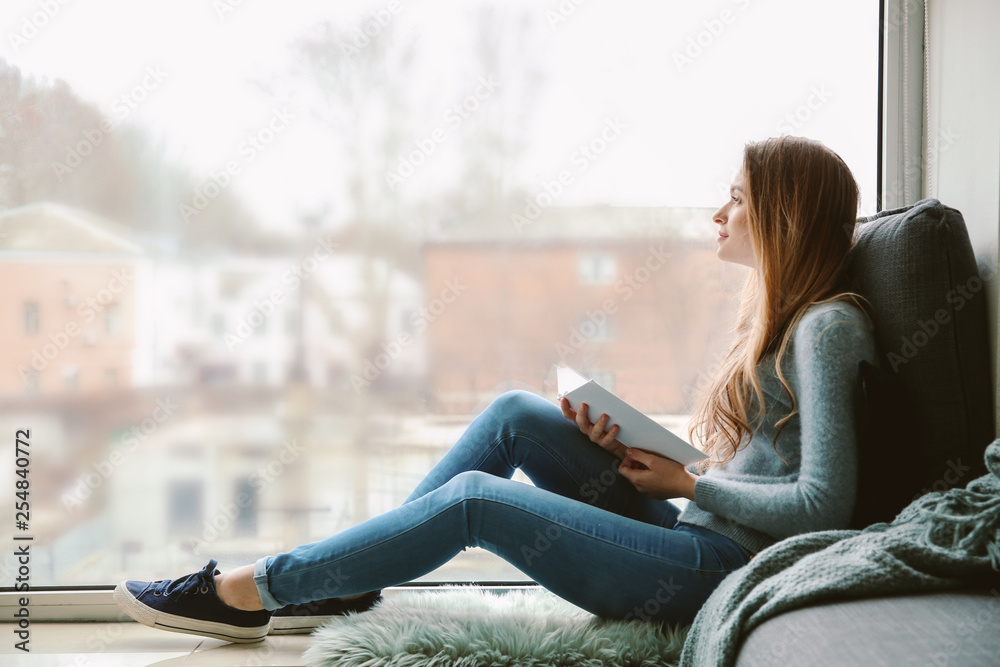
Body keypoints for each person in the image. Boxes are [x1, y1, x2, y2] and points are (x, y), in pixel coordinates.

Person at [114, 135, 877, 642]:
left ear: (782, 213)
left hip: (717, 568)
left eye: (738, 198)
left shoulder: (827, 328)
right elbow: (765, 465)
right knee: (517, 411)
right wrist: (652, 452)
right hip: (697, 530)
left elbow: (823, 503)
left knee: (478, 499)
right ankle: (350, 581)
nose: (720, 212)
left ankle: (253, 589)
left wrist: (687, 476)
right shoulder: (783, 321)